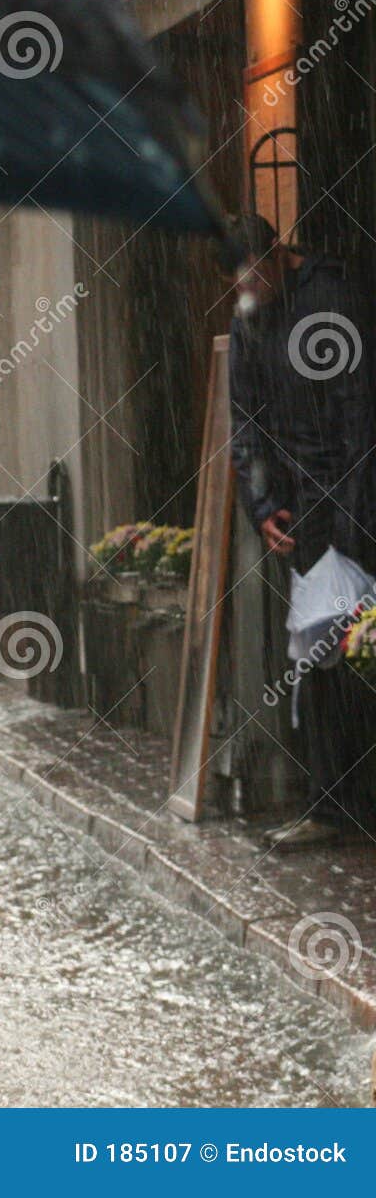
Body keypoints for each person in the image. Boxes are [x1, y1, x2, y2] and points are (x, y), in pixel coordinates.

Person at [229, 213, 376, 849]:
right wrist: (261, 505)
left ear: (276, 254)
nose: (246, 286)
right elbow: (245, 420)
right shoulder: (249, 317)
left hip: (351, 496)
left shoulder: (330, 296)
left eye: (252, 273)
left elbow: (360, 408)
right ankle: (330, 802)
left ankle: (347, 801)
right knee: (320, 654)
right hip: (301, 508)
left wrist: (353, 514)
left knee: (358, 651)